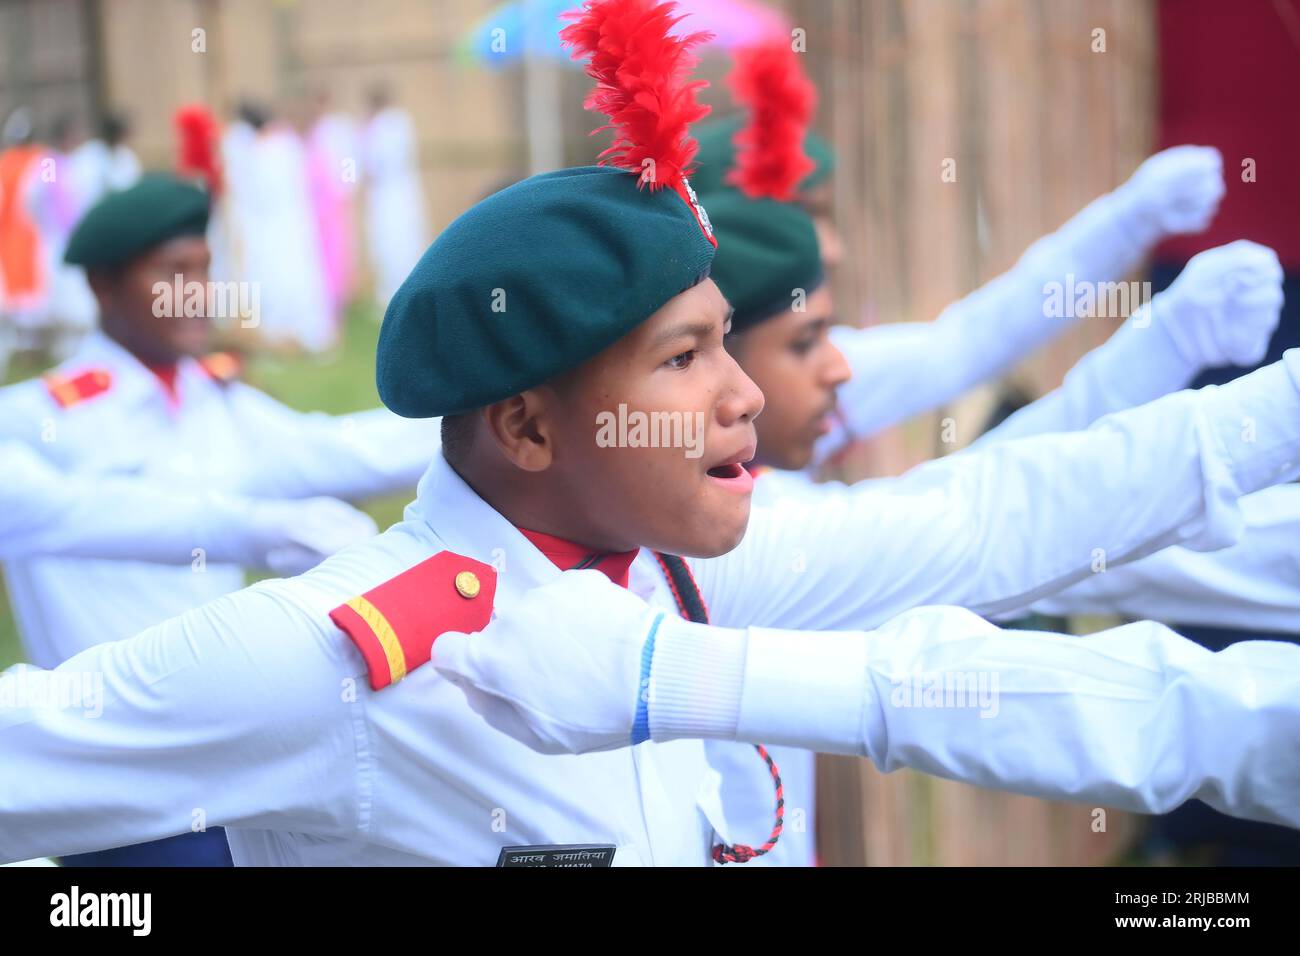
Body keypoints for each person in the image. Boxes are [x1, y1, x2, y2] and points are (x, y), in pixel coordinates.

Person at [2, 0, 1300, 867]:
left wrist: (1254, 406)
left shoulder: (697, 573)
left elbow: (995, 522)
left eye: (733, 344)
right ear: (521, 423)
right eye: (686, 358)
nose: (744, 398)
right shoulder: (340, 659)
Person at [1, 439, 375, 571]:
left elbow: (316, 450)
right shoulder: (44, 405)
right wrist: (267, 529)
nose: (193, 296)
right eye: (172, 274)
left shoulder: (210, 384)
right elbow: (81, 511)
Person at [360, 84, 428, 307]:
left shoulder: (380, 126)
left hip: (387, 195)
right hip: (402, 191)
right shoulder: (401, 121)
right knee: (404, 238)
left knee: (390, 241)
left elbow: (373, 163)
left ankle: (390, 293)